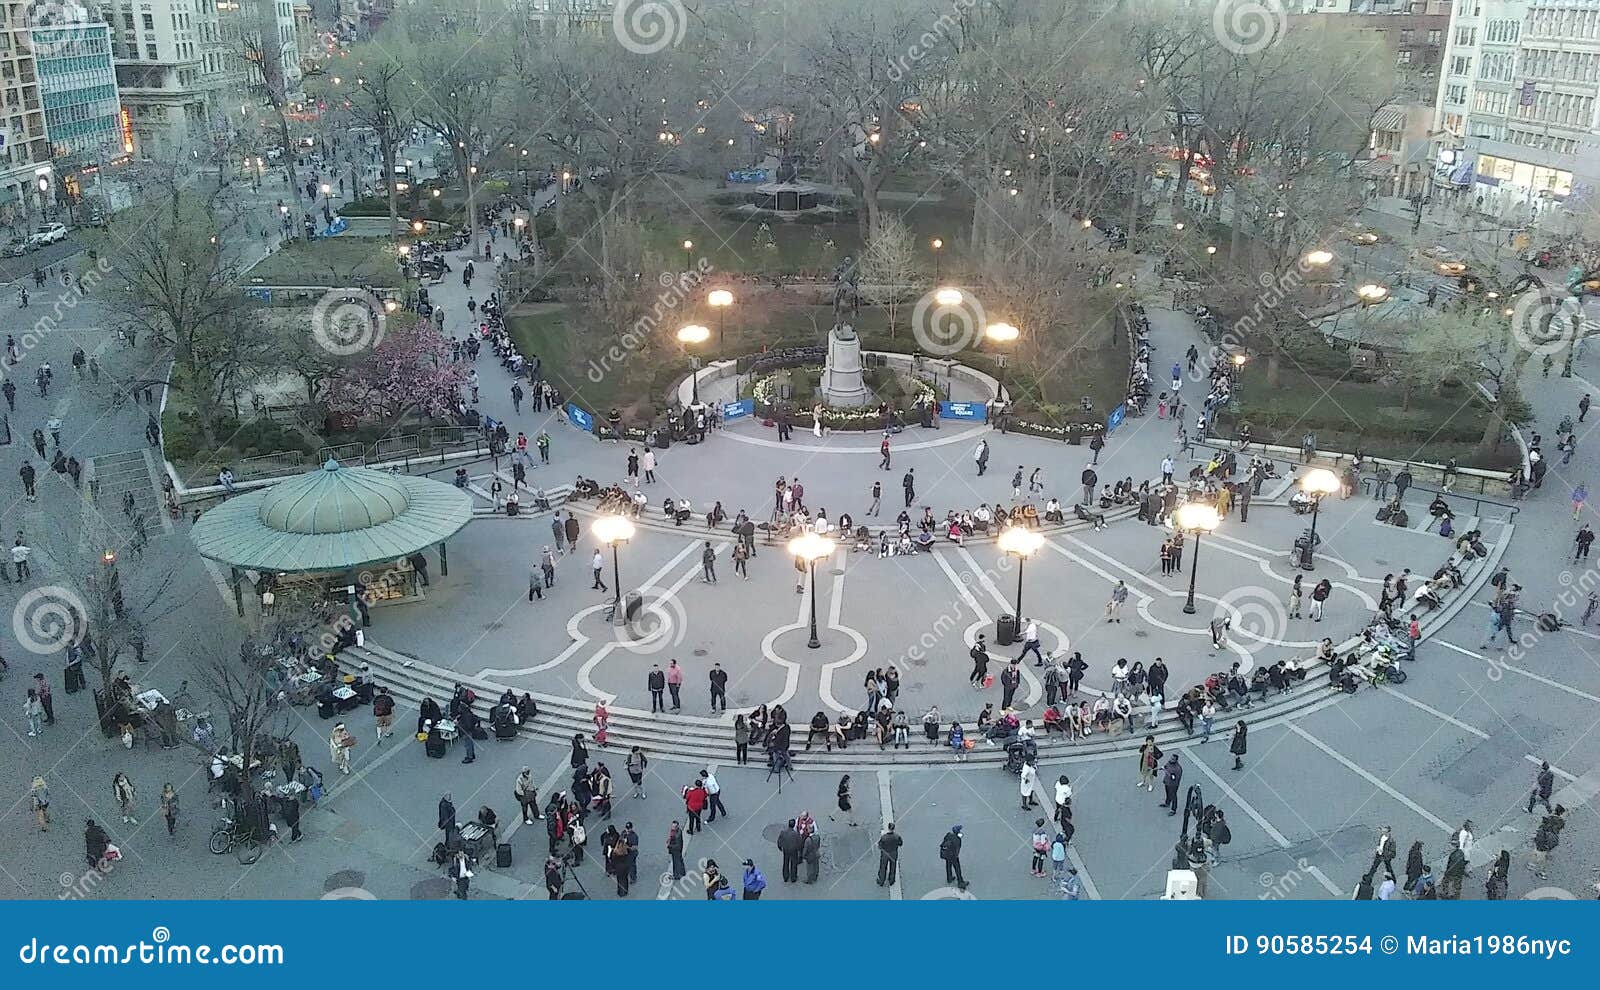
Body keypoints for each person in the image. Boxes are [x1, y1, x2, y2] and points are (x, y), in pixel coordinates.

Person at [939, 824, 967, 889]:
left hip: (946, 854)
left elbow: (944, 840)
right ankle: (960, 882)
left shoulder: (948, 834)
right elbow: (957, 848)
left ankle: (949, 878)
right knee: (957, 867)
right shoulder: (957, 839)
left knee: (948, 865)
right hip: (952, 855)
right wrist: (956, 856)